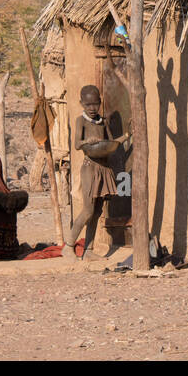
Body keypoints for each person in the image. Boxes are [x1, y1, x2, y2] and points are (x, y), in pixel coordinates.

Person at [62, 85, 126, 260]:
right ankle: (68, 246)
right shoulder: (81, 121)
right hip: (90, 167)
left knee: (97, 212)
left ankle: (88, 251)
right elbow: (76, 144)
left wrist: (128, 135)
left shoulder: (103, 122)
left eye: (95, 104)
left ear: (100, 102)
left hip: (104, 169)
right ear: (82, 103)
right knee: (88, 210)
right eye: (88, 104)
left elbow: (112, 143)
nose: (92, 108)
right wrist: (86, 140)